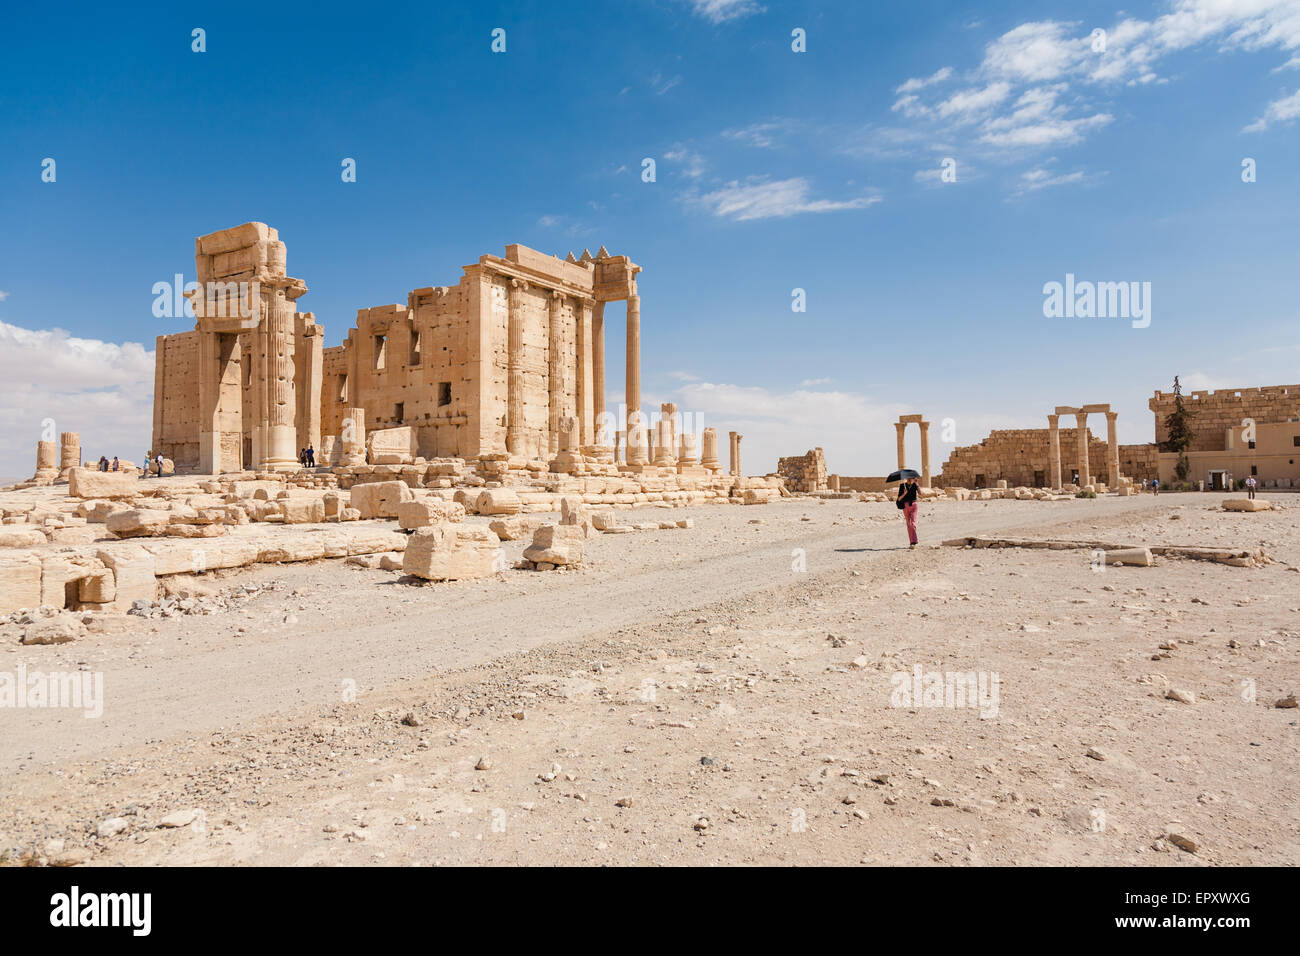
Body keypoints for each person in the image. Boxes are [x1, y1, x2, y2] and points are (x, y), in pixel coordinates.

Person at [897, 476, 920, 549]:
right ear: (906, 478)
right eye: (908, 478)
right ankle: (911, 542)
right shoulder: (902, 486)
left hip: (914, 505)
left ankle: (914, 541)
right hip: (905, 506)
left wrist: (917, 484)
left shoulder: (914, 485)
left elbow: (920, 493)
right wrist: (904, 493)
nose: (910, 479)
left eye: (911, 478)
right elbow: (899, 498)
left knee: (913, 524)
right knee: (909, 524)